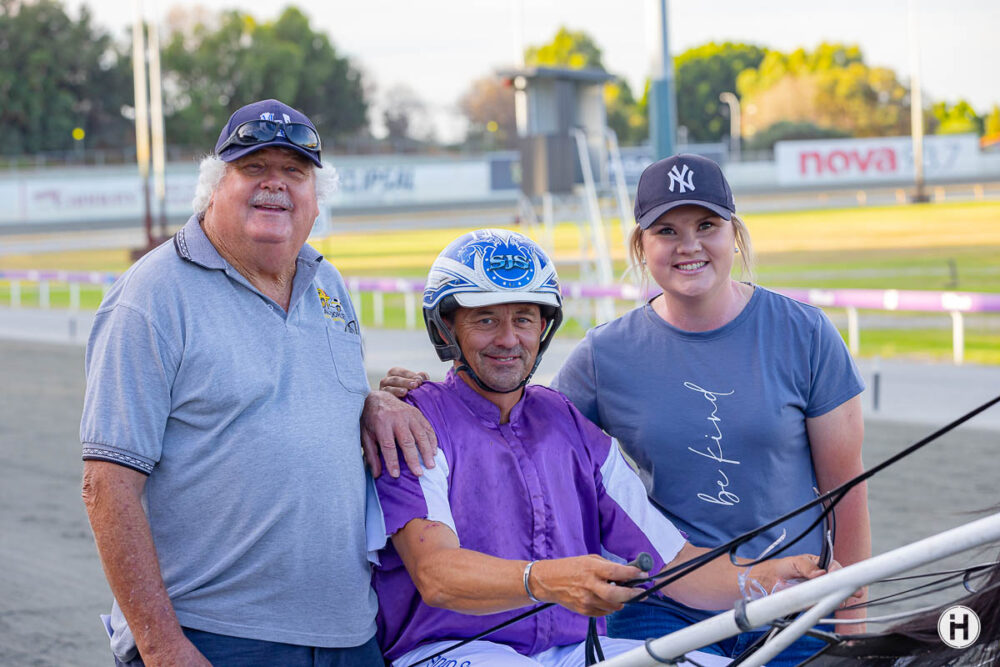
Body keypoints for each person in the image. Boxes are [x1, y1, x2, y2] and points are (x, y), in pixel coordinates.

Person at [377, 155, 870, 665]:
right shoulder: (415, 426)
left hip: (572, 644)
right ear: (445, 329)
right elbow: (437, 576)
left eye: (524, 318)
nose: (508, 339)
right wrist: (547, 579)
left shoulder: (564, 421)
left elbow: (674, 561)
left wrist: (768, 578)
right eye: (484, 320)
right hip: (453, 648)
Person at [79, 98, 430, 666]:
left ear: (316, 197)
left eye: (294, 172)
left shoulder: (328, 284)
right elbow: (106, 486)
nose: (276, 185)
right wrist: (164, 648)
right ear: (213, 186)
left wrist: (371, 402)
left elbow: (310, 398)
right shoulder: (151, 296)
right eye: (254, 168)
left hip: (348, 636)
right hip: (217, 639)